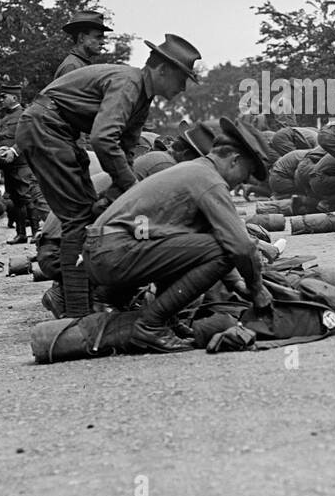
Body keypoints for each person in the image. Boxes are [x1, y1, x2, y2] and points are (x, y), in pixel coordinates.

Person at [17, 33, 200, 319]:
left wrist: (121, 193)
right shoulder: (129, 83)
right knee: (78, 218)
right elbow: (103, 140)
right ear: (162, 70)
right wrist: (130, 187)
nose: (183, 88)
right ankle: (76, 314)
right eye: (181, 79)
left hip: (59, 132)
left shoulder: (142, 99)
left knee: (91, 213)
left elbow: (126, 150)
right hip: (45, 128)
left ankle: (75, 298)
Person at [84, 117, 273, 353]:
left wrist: (236, 282)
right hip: (114, 252)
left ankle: (166, 322)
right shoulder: (209, 180)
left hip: (106, 251)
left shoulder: (194, 170)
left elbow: (192, 240)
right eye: (245, 175)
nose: (241, 183)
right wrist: (256, 289)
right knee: (225, 250)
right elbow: (241, 247)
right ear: (234, 160)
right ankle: (150, 326)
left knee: (198, 247)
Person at [0, 82, 49, 244]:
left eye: (4, 97)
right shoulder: (5, 117)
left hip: (23, 164)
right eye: (0, 97)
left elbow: (27, 137)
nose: (1, 99)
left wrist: (14, 151)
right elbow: (2, 139)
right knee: (15, 200)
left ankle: (36, 232)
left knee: (28, 198)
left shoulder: (25, 114)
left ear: (14, 97)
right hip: (8, 166)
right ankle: (21, 233)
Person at [54, 10, 113, 79]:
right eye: (98, 37)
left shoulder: (81, 64)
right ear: (81, 37)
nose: (103, 42)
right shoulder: (72, 67)